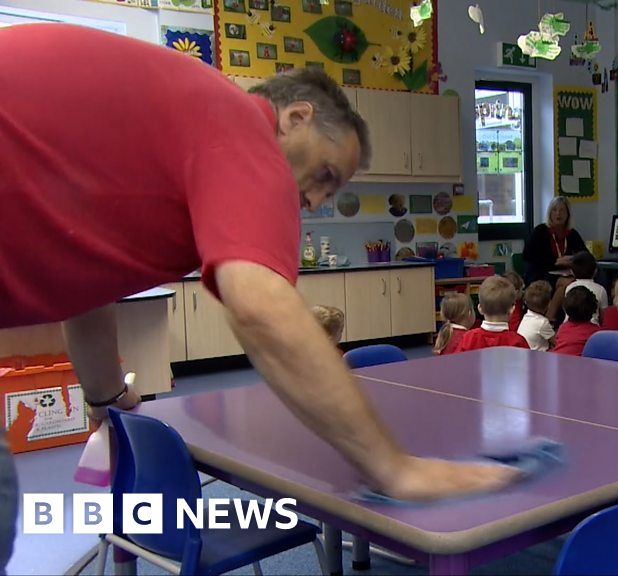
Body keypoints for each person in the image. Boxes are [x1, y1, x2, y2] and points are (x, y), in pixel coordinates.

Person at [0, 25, 519, 566]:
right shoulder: (240, 124)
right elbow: (259, 309)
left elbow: (86, 288)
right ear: (296, 117)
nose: (316, 198)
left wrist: (107, 399)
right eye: (324, 174)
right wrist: (396, 469)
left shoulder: (183, 124)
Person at [522, 197, 588, 287]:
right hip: (541, 273)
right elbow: (528, 256)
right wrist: (556, 261)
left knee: (591, 277)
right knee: (568, 283)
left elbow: (585, 255)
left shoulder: (572, 234)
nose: (558, 214)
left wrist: (573, 259)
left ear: (568, 214)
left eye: (562, 210)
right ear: (550, 214)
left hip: (565, 273)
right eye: (554, 210)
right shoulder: (540, 231)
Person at [453, 276, 531, 352]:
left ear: (480, 308)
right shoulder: (518, 342)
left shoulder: (468, 339)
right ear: (512, 310)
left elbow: (457, 364)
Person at [547, 251, 607, 324]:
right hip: (591, 329)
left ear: (572, 272)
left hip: (568, 327)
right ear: (595, 271)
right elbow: (603, 317)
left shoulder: (569, 287)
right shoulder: (601, 290)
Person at [552, 287, 603, 356]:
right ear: (593, 308)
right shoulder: (596, 332)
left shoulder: (562, 327)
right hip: (576, 364)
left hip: (557, 361)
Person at [517, 281, 557, 351]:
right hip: (538, 356)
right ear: (549, 304)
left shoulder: (526, 316)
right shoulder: (542, 322)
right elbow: (555, 341)